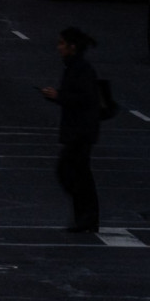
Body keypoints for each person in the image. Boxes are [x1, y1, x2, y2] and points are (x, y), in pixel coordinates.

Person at [40, 26, 101, 234]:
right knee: (77, 173)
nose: (58, 48)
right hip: (79, 129)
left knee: (71, 172)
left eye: (62, 44)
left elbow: (85, 98)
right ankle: (84, 218)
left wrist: (59, 96)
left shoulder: (81, 69)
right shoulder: (74, 67)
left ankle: (87, 216)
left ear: (72, 47)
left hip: (81, 131)